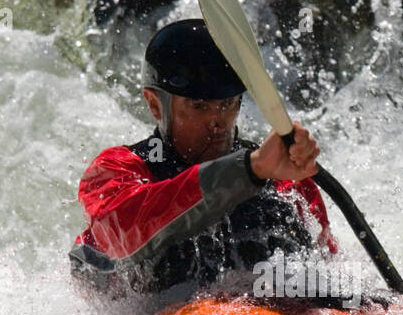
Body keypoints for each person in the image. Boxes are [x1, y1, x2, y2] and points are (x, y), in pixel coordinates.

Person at [70, 19, 334, 298]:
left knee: (268, 210)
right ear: (154, 105)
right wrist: (248, 170)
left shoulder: (279, 176)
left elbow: (326, 264)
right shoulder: (118, 169)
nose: (217, 122)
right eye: (198, 107)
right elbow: (123, 234)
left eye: (227, 104)